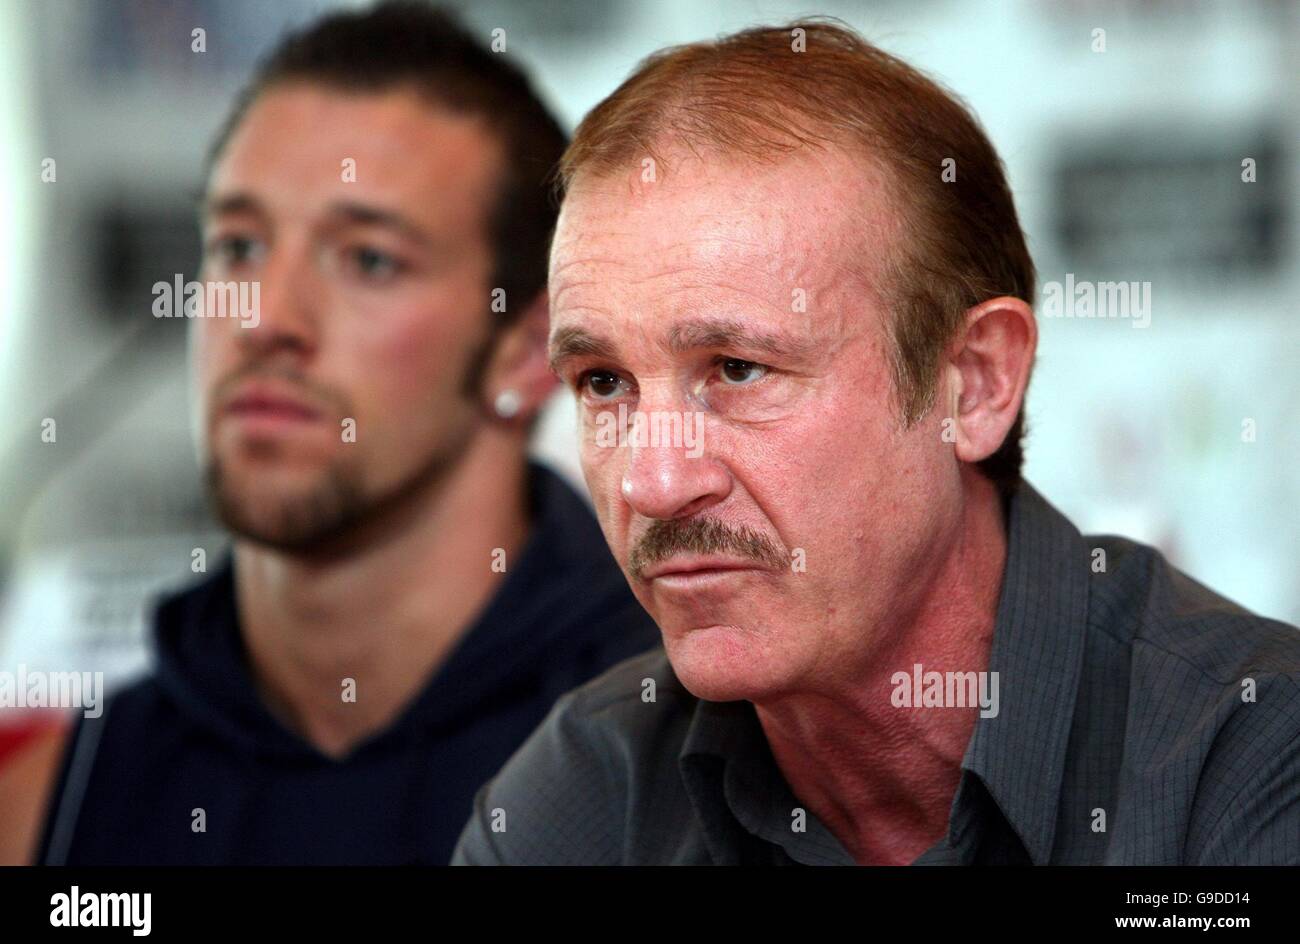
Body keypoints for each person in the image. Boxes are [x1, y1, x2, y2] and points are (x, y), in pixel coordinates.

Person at [451, 19, 1300, 865]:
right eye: (604, 382)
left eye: (739, 370)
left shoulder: (1249, 758)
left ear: (973, 383)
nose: (655, 481)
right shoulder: (582, 802)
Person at [0, 1, 658, 865]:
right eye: (237, 246)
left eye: (369, 259)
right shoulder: (55, 801)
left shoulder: (694, 764)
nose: (264, 316)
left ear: (528, 350)